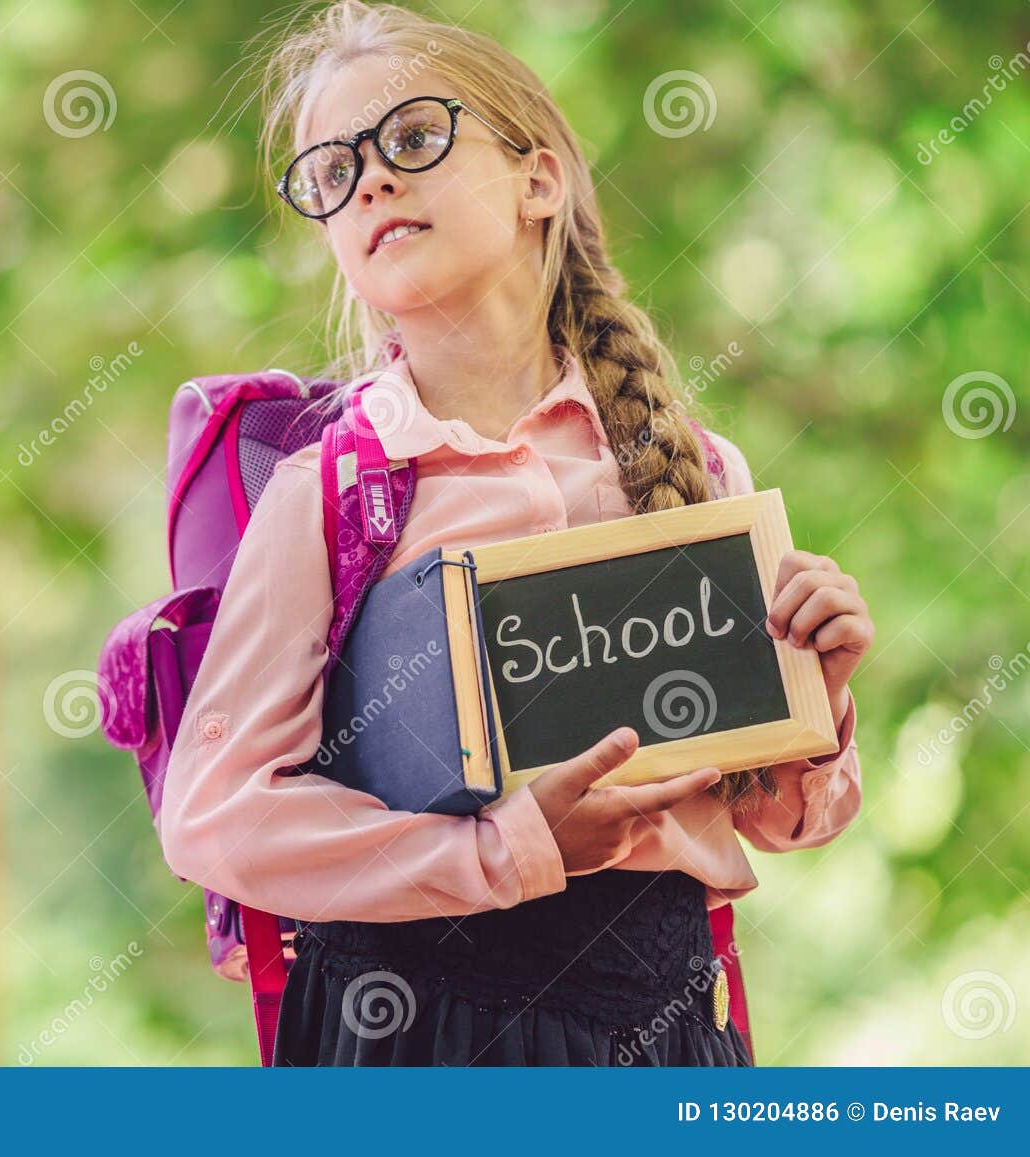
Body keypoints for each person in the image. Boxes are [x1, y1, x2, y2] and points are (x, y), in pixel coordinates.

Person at [158, 0, 872, 1066]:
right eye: (333, 172)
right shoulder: (331, 494)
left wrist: (818, 699)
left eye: (411, 138)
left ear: (538, 181)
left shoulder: (696, 471)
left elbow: (779, 819)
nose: (372, 182)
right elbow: (213, 817)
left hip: (669, 1034)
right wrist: (504, 850)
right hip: (414, 1036)